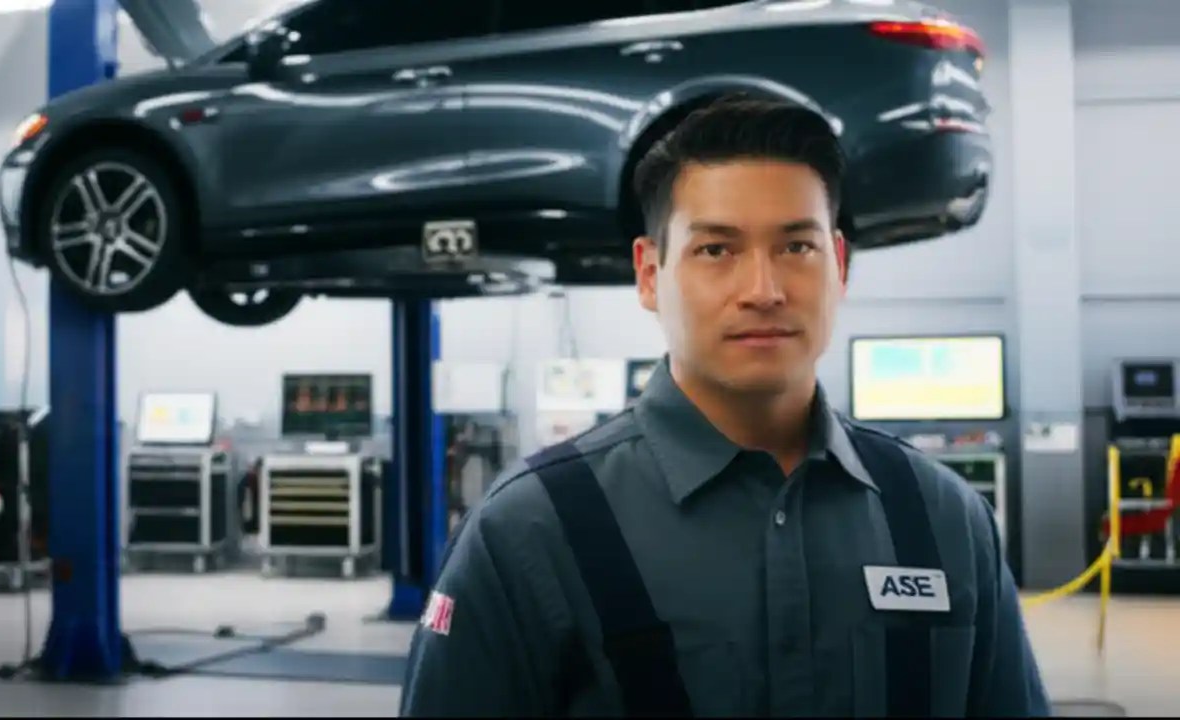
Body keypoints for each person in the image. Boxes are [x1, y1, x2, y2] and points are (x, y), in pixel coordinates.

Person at [399, 97, 1051, 717]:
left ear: (839, 265)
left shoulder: (943, 519)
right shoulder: (527, 532)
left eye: (796, 247)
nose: (763, 290)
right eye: (716, 250)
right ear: (649, 274)